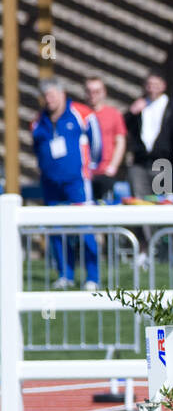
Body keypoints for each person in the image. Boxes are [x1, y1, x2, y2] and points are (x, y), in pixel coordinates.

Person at [31, 77, 101, 290]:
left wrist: (92, 167)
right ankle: (65, 274)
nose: (49, 100)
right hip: (51, 183)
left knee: (84, 226)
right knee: (56, 229)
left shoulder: (81, 114)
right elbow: (36, 147)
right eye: (45, 96)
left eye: (52, 95)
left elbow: (97, 144)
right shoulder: (38, 121)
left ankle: (92, 276)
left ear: (62, 94)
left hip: (77, 181)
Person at [125, 68, 173, 198]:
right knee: (140, 204)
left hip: (165, 164)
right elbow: (122, 126)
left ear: (163, 86)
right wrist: (131, 112)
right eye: (149, 85)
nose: (152, 89)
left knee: (166, 203)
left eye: (156, 85)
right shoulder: (139, 105)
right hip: (140, 164)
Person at [84, 76, 126, 203]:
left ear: (104, 92)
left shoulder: (113, 114)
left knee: (105, 208)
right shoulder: (79, 113)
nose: (93, 95)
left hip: (105, 171)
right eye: (89, 91)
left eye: (97, 91)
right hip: (85, 173)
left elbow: (120, 141)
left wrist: (113, 166)